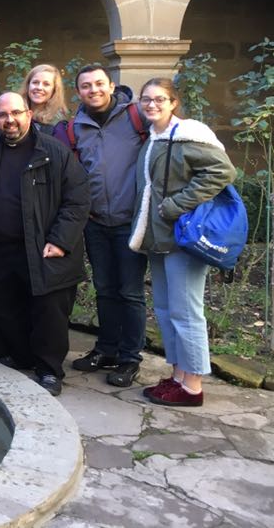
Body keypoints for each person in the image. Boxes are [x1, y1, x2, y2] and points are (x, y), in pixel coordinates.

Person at [0, 92, 90, 396]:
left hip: (44, 248)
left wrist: (60, 241)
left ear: (29, 114)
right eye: (2, 115)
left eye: (16, 113)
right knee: (4, 306)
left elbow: (78, 200)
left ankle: (49, 369)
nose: (9, 120)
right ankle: (22, 357)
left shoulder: (53, 152)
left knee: (49, 311)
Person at [129, 78, 236, 407]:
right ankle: (178, 375)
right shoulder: (155, 137)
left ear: (174, 102)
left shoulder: (190, 134)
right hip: (160, 238)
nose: (152, 104)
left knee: (186, 312)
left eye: (160, 99)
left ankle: (192, 386)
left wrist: (177, 205)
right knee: (165, 308)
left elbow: (223, 172)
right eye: (146, 99)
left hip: (183, 238)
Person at [62, 65, 149, 388]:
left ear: (111, 85)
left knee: (131, 292)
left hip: (130, 222)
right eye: (86, 86)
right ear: (78, 91)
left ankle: (130, 358)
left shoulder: (137, 118)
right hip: (96, 223)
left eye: (99, 83)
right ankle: (107, 348)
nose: (93, 90)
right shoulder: (76, 128)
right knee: (105, 289)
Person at [21, 64, 69, 133]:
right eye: (35, 82)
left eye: (46, 84)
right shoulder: (13, 114)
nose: (39, 87)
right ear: (28, 85)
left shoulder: (57, 125)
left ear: (54, 90)